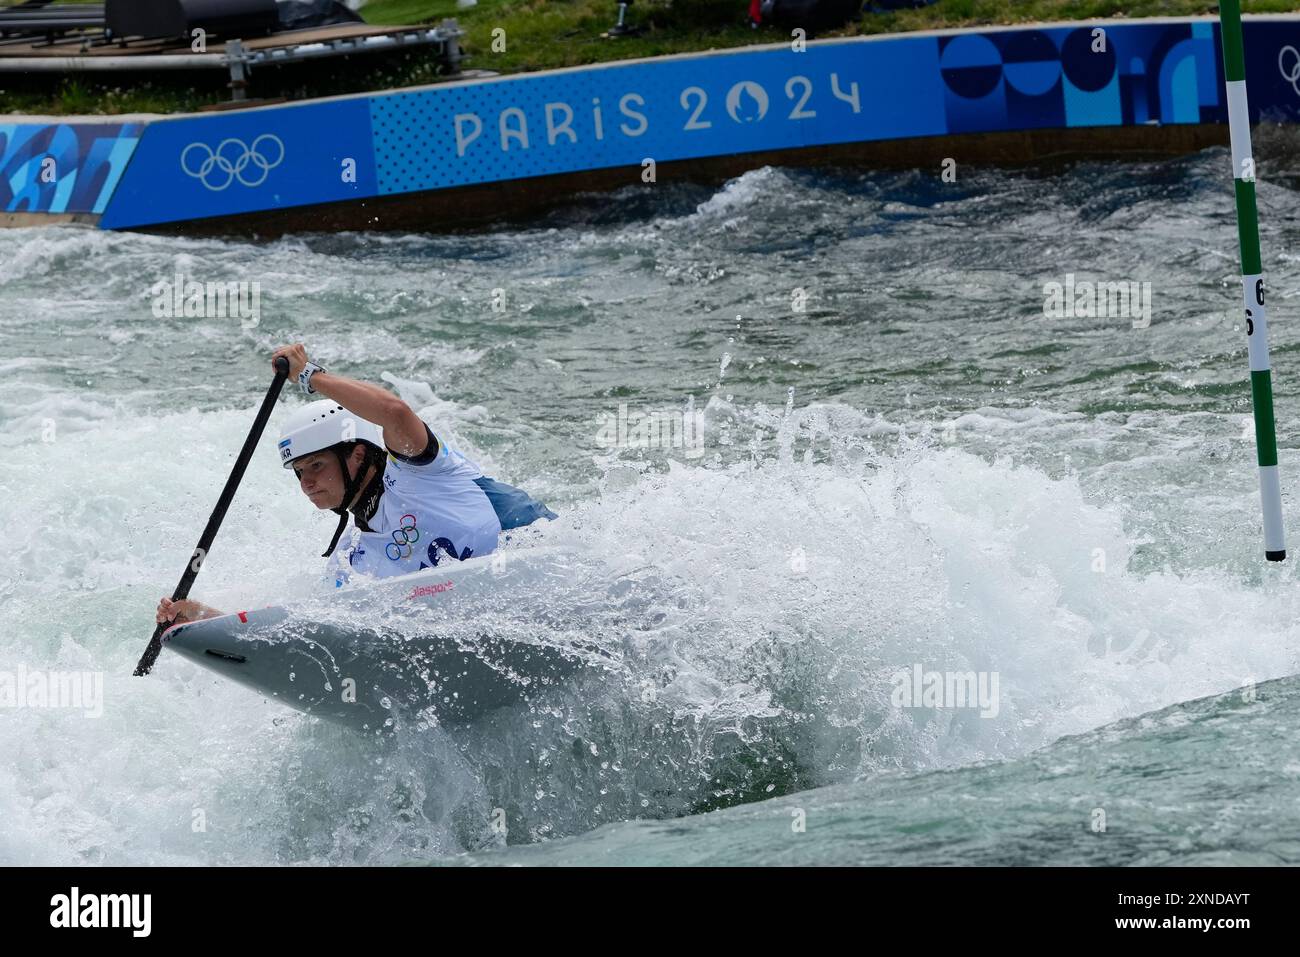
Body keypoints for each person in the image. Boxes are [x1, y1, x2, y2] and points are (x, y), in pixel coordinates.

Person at [156, 343, 555, 626]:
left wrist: (310, 375)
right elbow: (307, 637)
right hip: (492, 616)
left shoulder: (419, 469)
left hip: (552, 569)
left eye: (316, 465)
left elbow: (394, 412)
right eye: (298, 472)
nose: (306, 482)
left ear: (358, 455)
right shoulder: (351, 559)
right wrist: (198, 618)